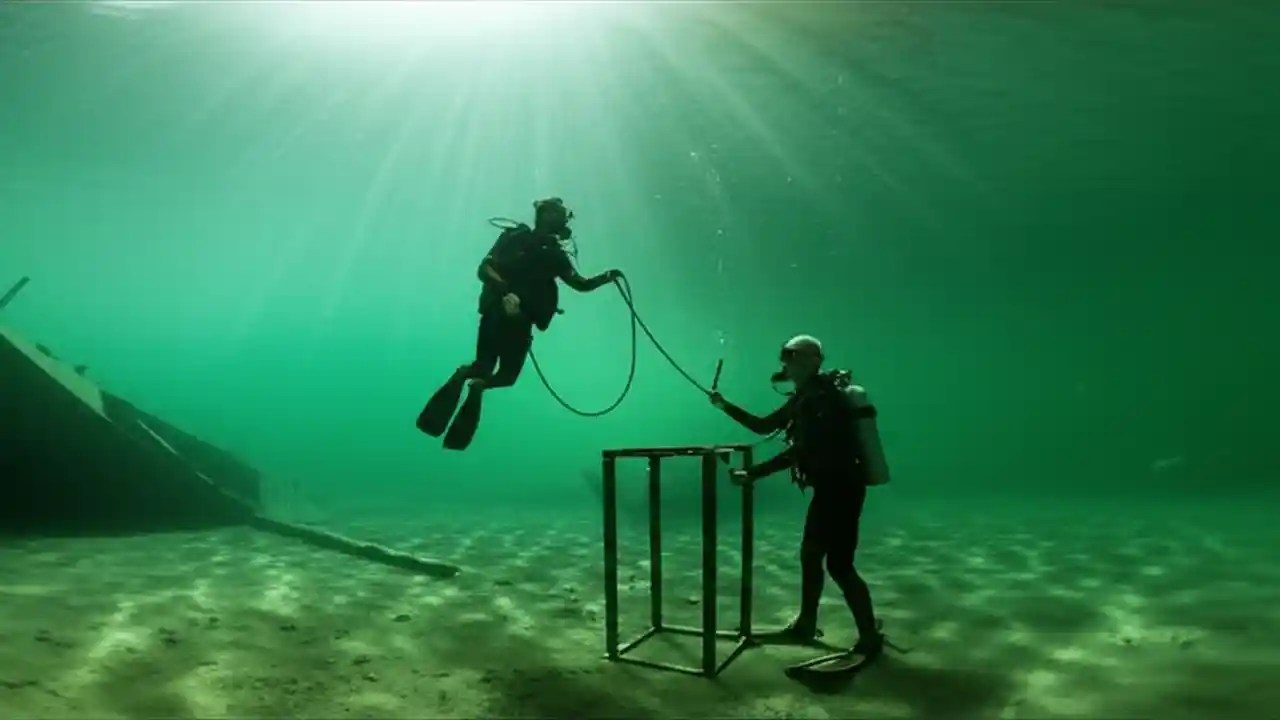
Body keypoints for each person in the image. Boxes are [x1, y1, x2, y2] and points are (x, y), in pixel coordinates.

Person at [709, 334, 889, 668]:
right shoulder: (804, 398)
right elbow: (765, 426)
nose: (787, 363)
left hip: (842, 489)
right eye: (786, 357)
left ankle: (868, 638)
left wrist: (754, 473)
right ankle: (807, 624)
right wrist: (724, 405)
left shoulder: (823, 399)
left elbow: (803, 450)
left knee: (838, 565)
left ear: (813, 361)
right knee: (810, 555)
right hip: (830, 489)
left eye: (793, 357)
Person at [416, 198, 622, 450]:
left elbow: (485, 269)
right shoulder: (531, 244)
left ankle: (469, 380)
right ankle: (475, 385)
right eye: (559, 215)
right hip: (509, 319)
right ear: (547, 216)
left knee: (491, 370)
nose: (563, 220)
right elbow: (579, 284)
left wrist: (606, 277)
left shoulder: (537, 246)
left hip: (506, 318)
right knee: (499, 373)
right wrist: (503, 291)